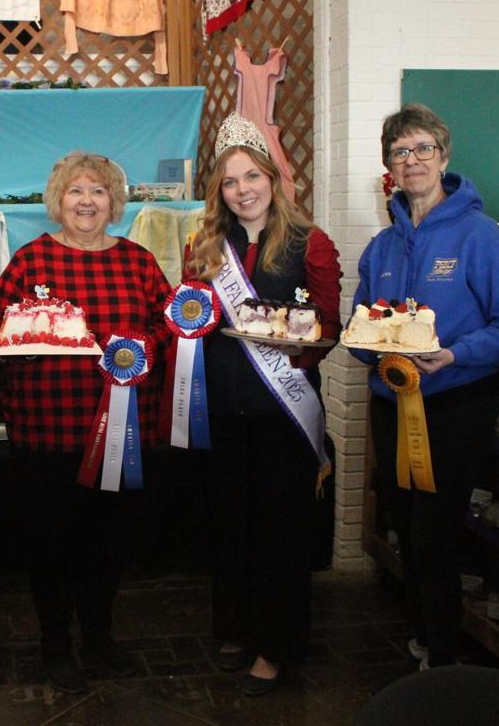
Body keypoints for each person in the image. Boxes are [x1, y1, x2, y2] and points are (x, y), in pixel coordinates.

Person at [350, 103, 499, 670]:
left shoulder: (479, 235)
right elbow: (359, 330)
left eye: (423, 148)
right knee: (405, 528)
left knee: (434, 534)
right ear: (390, 166)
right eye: (400, 152)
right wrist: (370, 345)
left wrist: (454, 354)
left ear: (444, 156)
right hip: (391, 405)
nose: (413, 160)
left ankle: (445, 657)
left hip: (455, 406)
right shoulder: (382, 246)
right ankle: (425, 637)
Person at [0, 152, 172, 695]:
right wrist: (21, 341)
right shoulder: (30, 261)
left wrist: (141, 347)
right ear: (57, 201)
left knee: (107, 543)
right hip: (47, 431)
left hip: (121, 434)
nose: (86, 201)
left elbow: (170, 326)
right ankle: (55, 645)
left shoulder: (138, 262)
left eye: (98, 191)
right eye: (75, 191)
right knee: (52, 545)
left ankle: (99, 638)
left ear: (114, 202)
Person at [185, 112, 341, 696]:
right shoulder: (205, 246)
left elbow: (328, 326)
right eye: (230, 181)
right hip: (222, 409)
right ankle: (233, 627)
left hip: (283, 412)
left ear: (272, 179)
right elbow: (190, 317)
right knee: (229, 525)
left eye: (252, 176)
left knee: (281, 532)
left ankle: (275, 647)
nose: (242, 190)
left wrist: (297, 350)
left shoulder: (311, 243)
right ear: (218, 191)